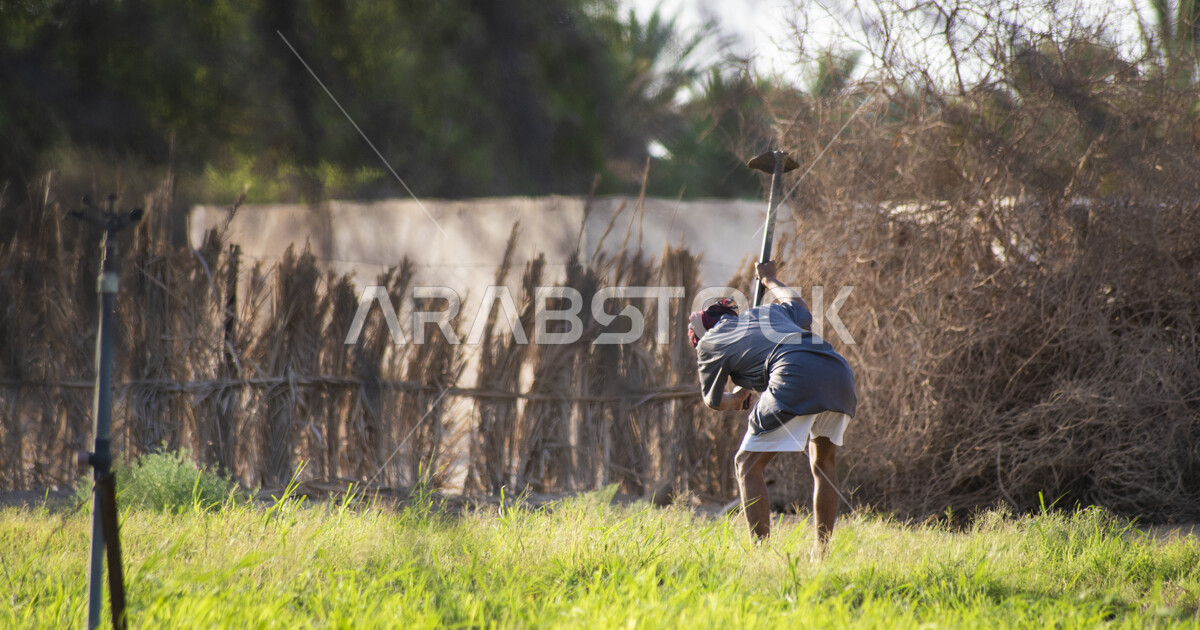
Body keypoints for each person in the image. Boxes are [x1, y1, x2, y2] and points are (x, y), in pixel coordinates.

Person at [690, 261, 856, 559]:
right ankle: (822, 553)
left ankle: (762, 556)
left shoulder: (709, 343)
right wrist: (770, 280)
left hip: (793, 371)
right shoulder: (766, 313)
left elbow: (714, 401)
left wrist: (737, 399)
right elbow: (801, 308)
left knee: (747, 465)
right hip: (836, 370)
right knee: (823, 464)